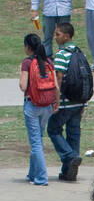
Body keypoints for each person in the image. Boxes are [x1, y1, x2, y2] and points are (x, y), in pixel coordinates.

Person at [48, 22, 88, 182]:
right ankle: (68, 172)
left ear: (66, 36)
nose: (55, 37)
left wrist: (56, 101)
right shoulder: (80, 53)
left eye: (57, 34)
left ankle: (70, 157)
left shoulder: (62, 54)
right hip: (79, 101)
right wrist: (84, 102)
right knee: (74, 134)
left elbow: (58, 78)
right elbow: (86, 79)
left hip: (66, 102)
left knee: (53, 129)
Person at [19, 33, 55, 187]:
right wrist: (56, 102)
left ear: (28, 47)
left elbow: (23, 86)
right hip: (47, 106)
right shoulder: (48, 61)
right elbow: (56, 85)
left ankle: (41, 177)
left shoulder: (27, 63)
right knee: (38, 138)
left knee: (35, 143)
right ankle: (32, 173)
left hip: (32, 105)